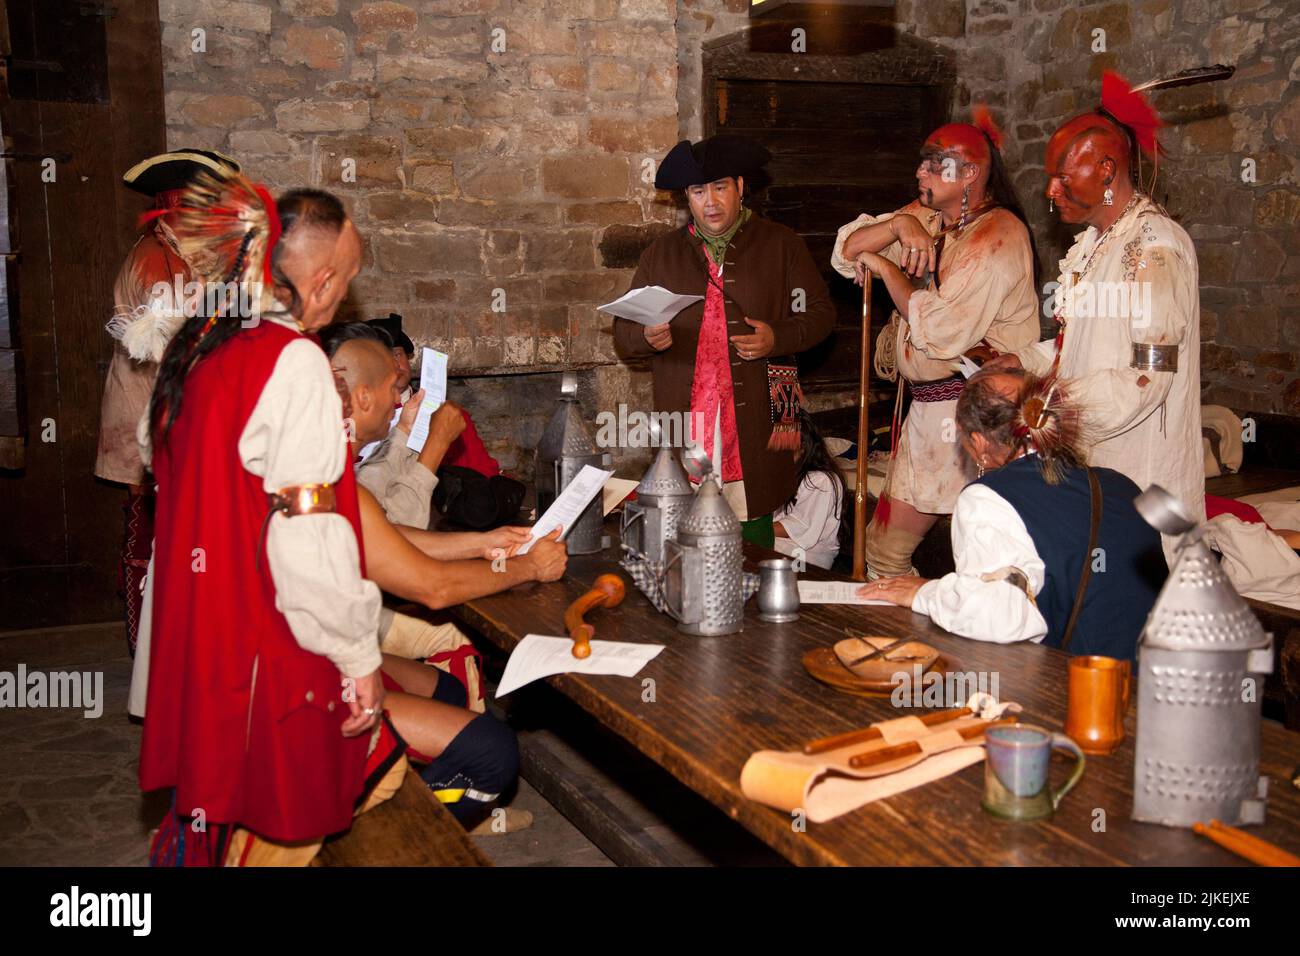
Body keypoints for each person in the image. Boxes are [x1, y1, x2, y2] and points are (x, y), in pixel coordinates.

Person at [985, 72, 1204, 561]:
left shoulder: (1155, 247)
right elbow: (1079, 345)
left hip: (1139, 469)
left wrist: (1044, 404)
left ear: (1106, 170)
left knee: (1133, 609)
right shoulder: (1092, 245)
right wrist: (1018, 362)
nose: (1050, 189)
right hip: (1093, 462)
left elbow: (1148, 375)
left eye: (1063, 176)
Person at [830, 107, 1040, 579]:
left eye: (934, 163)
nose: (920, 172)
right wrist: (900, 228)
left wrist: (887, 269)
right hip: (926, 415)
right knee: (882, 554)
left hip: (981, 417)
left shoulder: (997, 235)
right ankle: (906, 652)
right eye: (921, 162)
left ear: (969, 173)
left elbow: (943, 331)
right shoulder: (927, 215)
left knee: (986, 561)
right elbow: (846, 252)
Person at [612, 135, 835, 546]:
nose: (710, 202)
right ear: (687, 198)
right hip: (688, 411)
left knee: (754, 509)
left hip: (762, 408)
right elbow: (623, 333)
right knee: (686, 518)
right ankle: (692, 599)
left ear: (740, 187)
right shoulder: (661, 255)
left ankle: (753, 601)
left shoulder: (781, 245)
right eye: (699, 191)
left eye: (720, 188)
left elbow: (820, 317)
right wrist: (645, 336)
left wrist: (776, 337)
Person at [867, 368, 1166, 660]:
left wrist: (924, 594)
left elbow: (1001, 615)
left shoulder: (987, 498)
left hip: (1084, 692)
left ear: (980, 442)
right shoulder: (1122, 485)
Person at [96, 148, 240, 654]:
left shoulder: (182, 256)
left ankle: (177, 641)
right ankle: (151, 650)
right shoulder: (157, 261)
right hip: (151, 420)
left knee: (168, 532)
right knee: (148, 534)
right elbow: (172, 353)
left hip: (166, 418)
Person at [324, 322, 465, 528]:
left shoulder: (337, 452)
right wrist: (437, 442)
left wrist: (405, 430)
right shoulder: (320, 470)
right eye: (391, 387)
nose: (397, 397)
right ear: (364, 397)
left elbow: (370, 489)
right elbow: (392, 534)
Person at [773, 409, 850, 571]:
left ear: (803, 447)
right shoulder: (783, 474)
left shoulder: (821, 481)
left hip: (807, 557)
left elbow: (799, 525)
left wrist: (747, 529)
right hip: (783, 546)